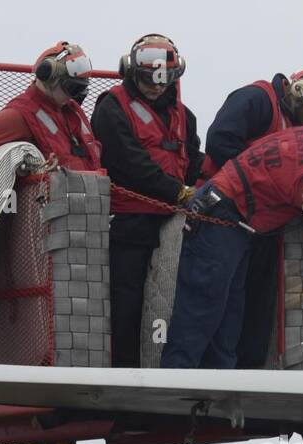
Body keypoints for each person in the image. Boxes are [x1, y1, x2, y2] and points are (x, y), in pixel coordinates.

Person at [160, 128, 303, 369]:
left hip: (231, 216)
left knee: (229, 312)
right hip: (223, 217)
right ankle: (174, 381)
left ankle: (217, 387)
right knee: (202, 306)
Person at [201, 69, 303, 368]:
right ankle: (216, 373)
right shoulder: (256, 99)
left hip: (261, 226)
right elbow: (218, 141)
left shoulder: (294, 127)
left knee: (257, 306)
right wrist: (262, 177)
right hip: (226, 212)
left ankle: (248, 375)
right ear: (301, 89)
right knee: (220, 300)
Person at [93, 34, 203, 367]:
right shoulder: (111, 107)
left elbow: (193, 159)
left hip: (173, 221)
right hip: (130, 223)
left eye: (163, 80)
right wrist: (176, 191)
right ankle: (123, 378)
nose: (155, 87)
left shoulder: (184, 115)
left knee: (174, 305)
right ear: (132, 72)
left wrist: (213, 185)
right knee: (126, 306)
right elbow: (128, 161)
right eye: (147, 80)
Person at [0, 42, 102, 244]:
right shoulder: (17, 115)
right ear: (49, 77)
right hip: (52, 224)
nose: (73, 96)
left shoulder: (70, 110)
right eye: (70, 88)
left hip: (88, 215)